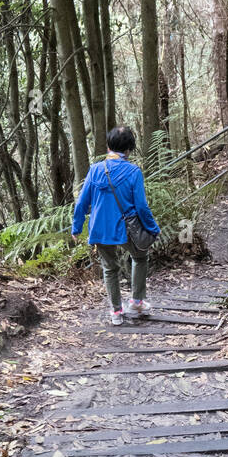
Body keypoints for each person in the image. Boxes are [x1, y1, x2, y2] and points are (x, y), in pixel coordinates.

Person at [71, 125, 160, 325]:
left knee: (110, 268)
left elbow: (82, 202)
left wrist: (76, 227)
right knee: (140, 257)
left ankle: (116, 312)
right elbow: (142, 207)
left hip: (100, 228)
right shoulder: (134, 172)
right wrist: (152, 228)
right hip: (126, 228)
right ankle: (136, 301)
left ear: (109, 145)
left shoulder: (95, 170)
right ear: (128, 149)